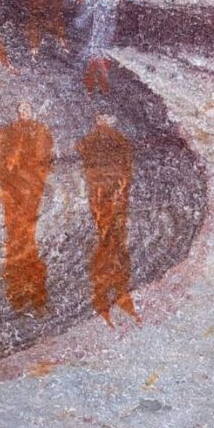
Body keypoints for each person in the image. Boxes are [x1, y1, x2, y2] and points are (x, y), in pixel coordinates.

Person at [0, 106, 53, 313]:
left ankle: (32, 291)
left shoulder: (38, 130)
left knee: (24, 235)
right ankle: (19, 292)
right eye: (22, 108)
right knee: (16, 236)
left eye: (28, 108)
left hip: (27, 189)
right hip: (15, 189)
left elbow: (45, 159)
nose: (25, 111)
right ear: (18, 111)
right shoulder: (11, 130)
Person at [77, 116, 137, 322]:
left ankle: (114, 288)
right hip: (107, 195)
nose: (104, 121)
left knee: (111, 237)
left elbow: (125, 168)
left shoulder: (112, 140)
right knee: (111, 237)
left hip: (109, 195)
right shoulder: (98, 140)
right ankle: (112, 289)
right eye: (102, 117)